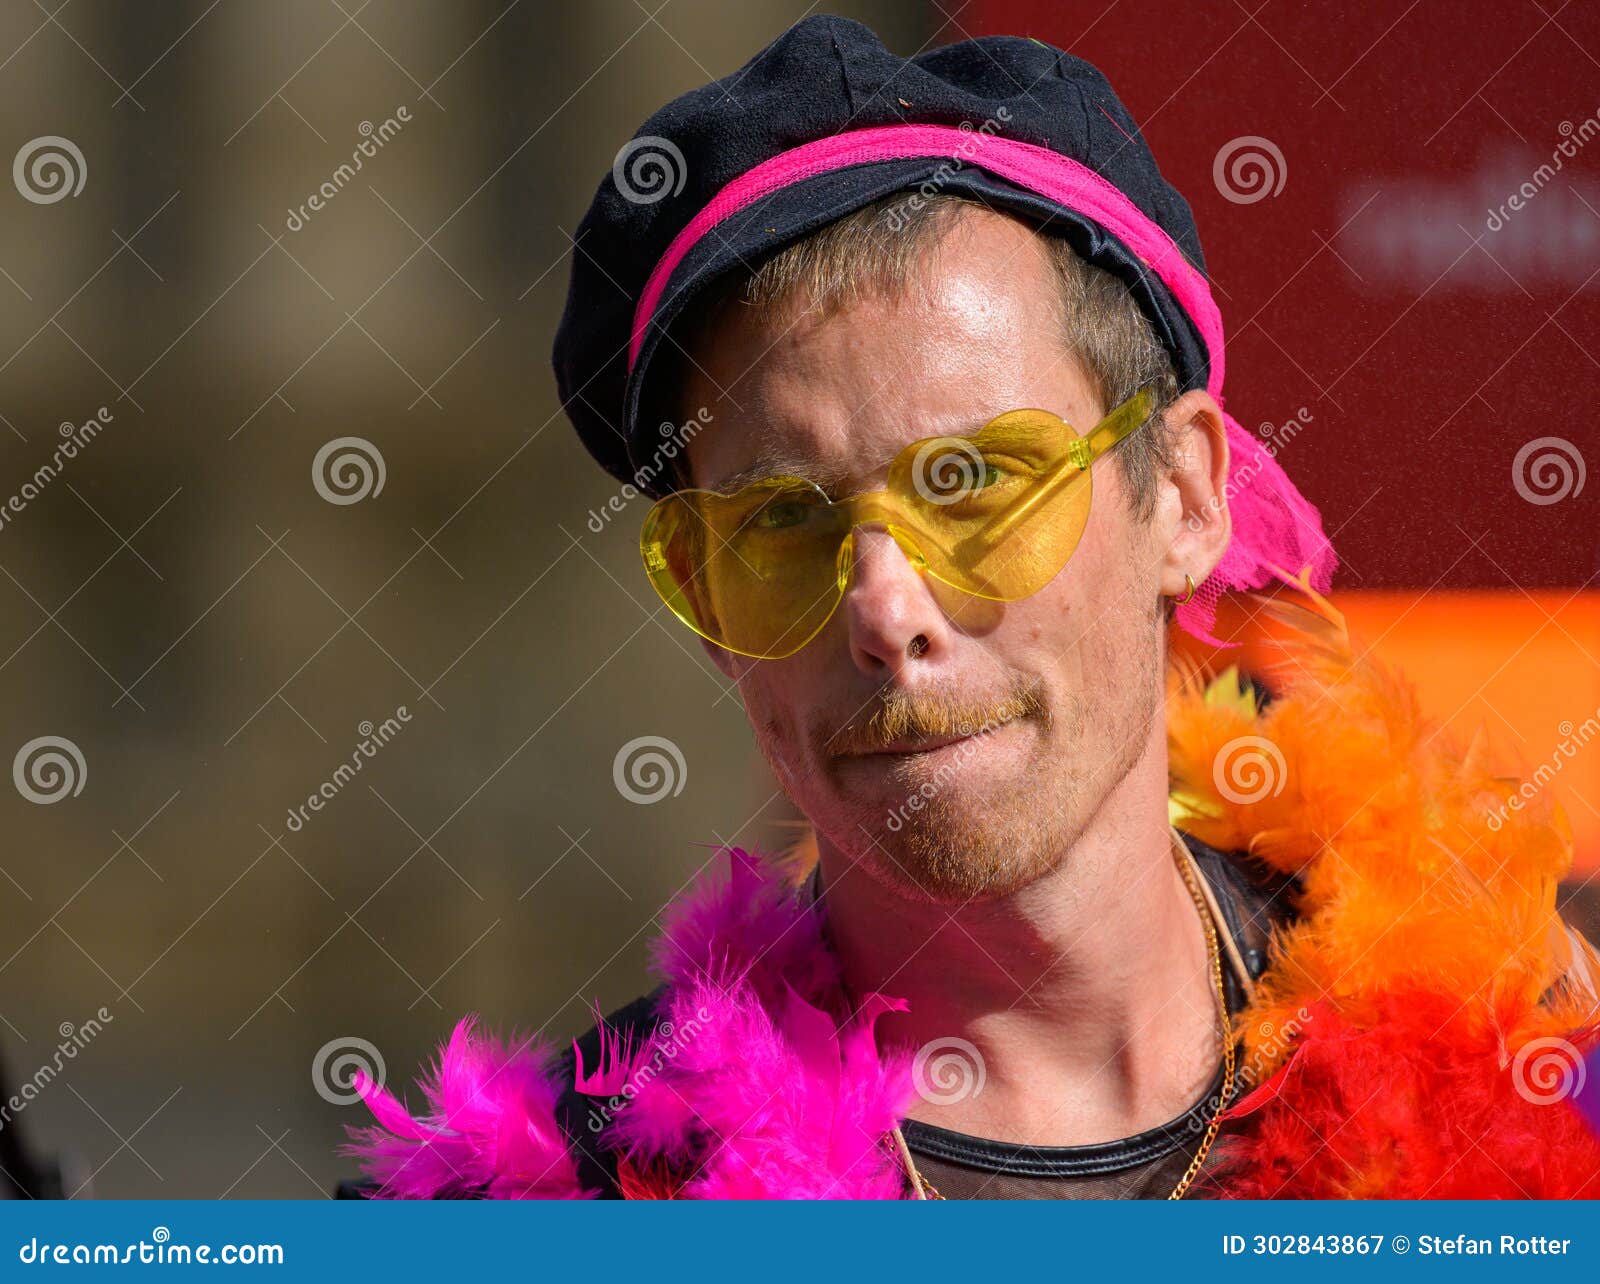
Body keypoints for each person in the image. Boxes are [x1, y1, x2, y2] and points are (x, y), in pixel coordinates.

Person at [339, 15, 1600, 1200]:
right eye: (781, 523)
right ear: (710, 613)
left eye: (972, 483)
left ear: (1183, 497)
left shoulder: (1535, 1083)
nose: (885, 610)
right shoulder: (543, 1214)